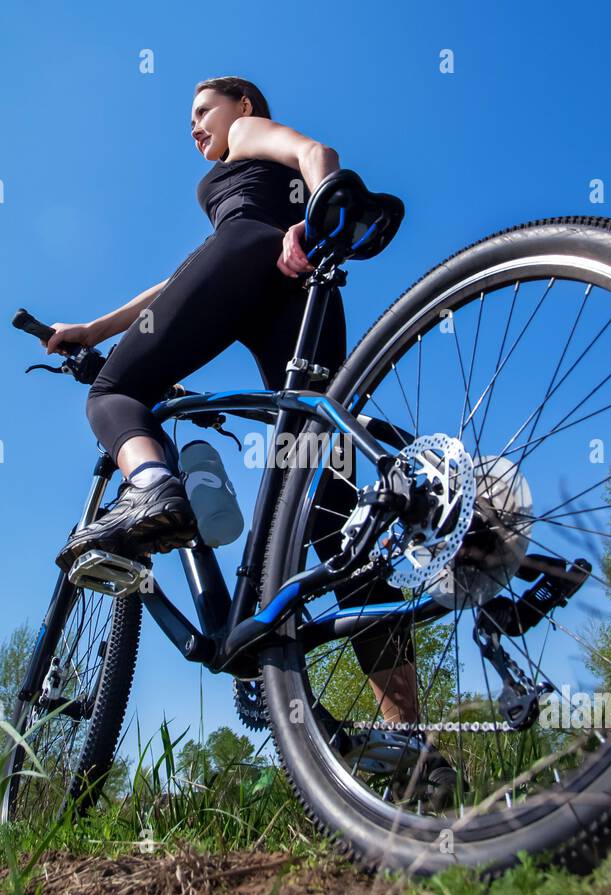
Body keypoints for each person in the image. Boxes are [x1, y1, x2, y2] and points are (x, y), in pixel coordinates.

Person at [43, 76, 420, 726]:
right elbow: (186, 275)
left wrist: (317, 214)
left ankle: (156, 487)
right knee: (332, 518)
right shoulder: (243, 188)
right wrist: (94, 328)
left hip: (263, 257)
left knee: (116, 392)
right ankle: (412, 741)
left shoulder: (246, 135)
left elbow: (314, 151)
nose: (194, 128)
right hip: (300, 292)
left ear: (241, 107)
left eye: (202, 111)